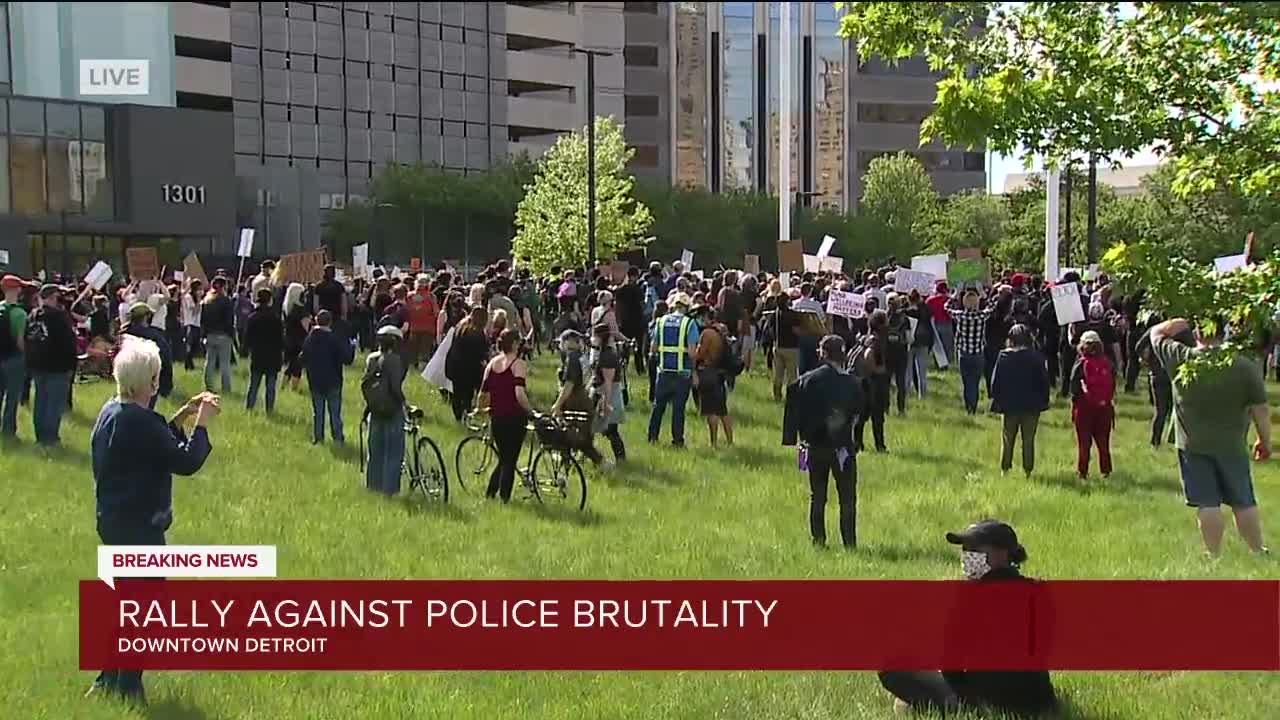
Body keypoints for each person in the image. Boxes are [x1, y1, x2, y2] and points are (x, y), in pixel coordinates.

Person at [88, 336, 218, 705]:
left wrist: (182, 416)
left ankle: (107, 679)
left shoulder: (112, 411)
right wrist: (203, 425)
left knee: (123, 602)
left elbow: (154, 444)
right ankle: (129, 685)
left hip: (112, 521)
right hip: (140, 527)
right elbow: (186, 461)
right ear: (152, 381)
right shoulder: (142, 423)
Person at [878, 520, 1058, 718]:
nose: (966, 555)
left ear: (1001, 553)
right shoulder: (1039, 592)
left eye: (973, 549)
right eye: (964, 549)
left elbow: (950, 665)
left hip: (982, 702)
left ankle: (944, 707)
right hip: (1039, 700)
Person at [1150, 317, 1270, 556]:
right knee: (1243, 500)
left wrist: (1178, 322)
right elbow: (1260, 408)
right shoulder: (1243, 365)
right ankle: (1257, 549)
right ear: (1223, 331)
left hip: (1192, 444)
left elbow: (1156, 334)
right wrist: (1264, 440)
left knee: (1207, 503)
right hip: (1232, 444)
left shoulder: (1182, 359)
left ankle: (1213, 553)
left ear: (1197, 332)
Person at [783, 335, 864, 548]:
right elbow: (859, 414)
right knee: (847, 498)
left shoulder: (806, 380)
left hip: (814, 445)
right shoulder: (852, 383)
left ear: (822, 353)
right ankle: (850, 543)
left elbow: (793, 407)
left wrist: (792, 437)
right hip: (843, 448)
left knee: (817, 496)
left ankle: (818, 541)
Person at [479, 328, 533, 502]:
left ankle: (490, 492)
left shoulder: (492, 364)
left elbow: (483, 393)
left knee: (504, 457)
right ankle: (504, 498)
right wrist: (531, 411)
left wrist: (481, 410)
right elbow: (519, 393)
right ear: (515, 344)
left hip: (497, 417)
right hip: (515, 417)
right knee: (510, 459)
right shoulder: (518, 364)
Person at [990, 324, 1050, 477]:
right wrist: (1044, 401)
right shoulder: (1037, 357)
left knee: (1008, 438)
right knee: (1028, 440)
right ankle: (1028, 470)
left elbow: (995, 382)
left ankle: (1005, 469)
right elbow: (1044, 381)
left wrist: (997, 400)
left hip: (1009, 406)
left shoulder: (1003, 356)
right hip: (1031, 406)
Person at [25, 284, 78, 446]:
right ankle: (51, 438)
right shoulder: (59, 317)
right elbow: (69, 343)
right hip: (57, 366)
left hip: (37, 365)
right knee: (54, 404)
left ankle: (40, 436)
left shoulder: (33, 316)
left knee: (41, 401)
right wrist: (72, 365)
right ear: (52, 297)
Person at [648, 292, 700, 448]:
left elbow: (653, 348)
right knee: (678, 409)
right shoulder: (689, 324)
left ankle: (652, 437)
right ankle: (677, 441)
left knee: (658, 407)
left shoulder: (661, 321)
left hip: (663, 372)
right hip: (682, 374)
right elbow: (691, 352)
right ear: (687, 307)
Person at [363, 325, 408, 495]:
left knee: (375, 451)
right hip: (393, 410)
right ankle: (390, 491)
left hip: (374, 409)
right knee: (394, 453)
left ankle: (372, 487)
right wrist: (404, 404)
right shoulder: (395, 361)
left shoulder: (371, 359)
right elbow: (395, 388)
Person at [301, 309, 355, 445]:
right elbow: (347, 359)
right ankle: (338, 437)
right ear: (330, 322)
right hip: (334, 380)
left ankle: (318, 437)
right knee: (335, 412)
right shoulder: (335, 339)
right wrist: (352, 347)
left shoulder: (310, 338)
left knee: (318, 412)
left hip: (315, 379)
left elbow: (302, 358)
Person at [1069, 330, 1115, 479]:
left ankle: (1082, 471)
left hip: (1084, 408)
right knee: (1103, 442)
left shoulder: (1081, 363)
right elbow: (1113, 384)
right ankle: (1106, 471)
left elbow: (1073, 388)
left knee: (1084, 442)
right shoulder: (1107, 363)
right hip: (1104, 408)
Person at [692, 305, 734, 447]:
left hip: (707, 371)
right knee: (723, 410)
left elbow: (700, 353)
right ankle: (729, 441)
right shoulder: (722, 330)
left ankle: (714, 443)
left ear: (705, 317)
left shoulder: (707, 333)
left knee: (711, 411)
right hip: (720, 372)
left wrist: (692, 353)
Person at [948, 288, 994, 415]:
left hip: (964, 353)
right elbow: (992, 306)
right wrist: (983, 293)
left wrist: (956, 293)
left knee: (966, 381)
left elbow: (946, 307)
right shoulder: (981, 316)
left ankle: (968, 405)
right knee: (975, 381)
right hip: (978, 354)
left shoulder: (960, 315)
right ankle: (973, 405)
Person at [587, 322, 627, 466]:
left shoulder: (608, 356)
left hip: (607, 395)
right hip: (601, 394)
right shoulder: (602, 353)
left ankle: (619, 459)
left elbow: (608, 382)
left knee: (610, 430)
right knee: (599, 429)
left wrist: (606, 404)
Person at [121, 302, 174, 411]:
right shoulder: (155, 337)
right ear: (146, 317)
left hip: (126, 379)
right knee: (145, 412)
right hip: (147, 381)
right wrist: (166, 384)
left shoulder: (123, 335)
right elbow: (165, 360)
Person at [852, 308, 890, 453]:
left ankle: (857, 443)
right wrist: (877, 369)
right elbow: (869, 355)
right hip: (874, 383)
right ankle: (880, 446)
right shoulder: (876, 340)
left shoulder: (865, 337)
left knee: (861, 416)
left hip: (864, 382)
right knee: (877, 417)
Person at [0, 274, 32, 438]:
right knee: (12, 397)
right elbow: (20, 340)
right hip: (14, 358)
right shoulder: (19, 313)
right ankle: (8, 431)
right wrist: (26, 356)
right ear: (15, 290)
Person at [446, 306, 490, 422]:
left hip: (455, 364)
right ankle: (466, 415)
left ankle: (458, 417)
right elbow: (482, 352)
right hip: (469, 368)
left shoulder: (461, 326)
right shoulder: (477, 333)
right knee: (467, 395)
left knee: (457, 393)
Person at [244, 288, 284, 414]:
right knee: (270, 386)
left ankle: (249, 407)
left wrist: (246, 350)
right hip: (273, 355)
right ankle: (269, 409)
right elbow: (281, 339)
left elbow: (247, 338)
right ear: (270, 301)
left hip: (257, 354)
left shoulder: (252, 318)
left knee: (254, 384)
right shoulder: (276, 318)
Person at [200, 277, 236, 394]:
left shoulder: (206, 300)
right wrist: (231, 334)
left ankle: (208, 387)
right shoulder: (226, 301)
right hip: (224, 335)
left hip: (210, 334)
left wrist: (204, 334)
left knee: (209, 362)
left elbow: (203, 319)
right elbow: (229, 320)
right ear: (223, 286)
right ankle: (226, 388)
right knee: (224, 364)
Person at [406, 274, 439, 368]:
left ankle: (418, 368)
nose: (422, 284)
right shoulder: (411, 295)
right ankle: (418, 369)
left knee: (419, 351)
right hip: (419, 327)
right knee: (419, 351)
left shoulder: (430, 296)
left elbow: (436, 311)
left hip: (423, 328)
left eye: (424, 282)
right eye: (421, 281)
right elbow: (436, 311)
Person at [907, 289, 935, 398]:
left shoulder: (906, 311)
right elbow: (931, 325)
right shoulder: (927, 309)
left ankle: (907, 394)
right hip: (924, 341)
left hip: (910, 342)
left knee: (908, 371)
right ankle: (922, 395)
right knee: (922, 371)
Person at [180, 279, 203, 371]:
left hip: (197, 324)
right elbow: (194, 311)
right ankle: (188, 364)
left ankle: (190, 362)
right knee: (189, 344)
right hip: (190, 323)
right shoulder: (188, 297)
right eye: (199, 288)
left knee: (195, 345)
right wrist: (198, 300)